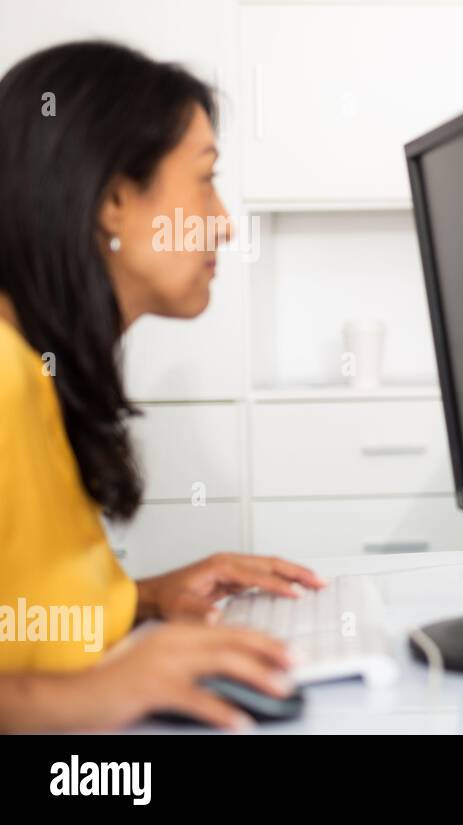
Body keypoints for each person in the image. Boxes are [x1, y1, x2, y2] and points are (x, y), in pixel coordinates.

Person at [0, 41, 324, 732]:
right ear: (114, 198)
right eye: (204, 180)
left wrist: (146, 599)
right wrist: (94, 696)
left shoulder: (36, 371)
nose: (224, 222)